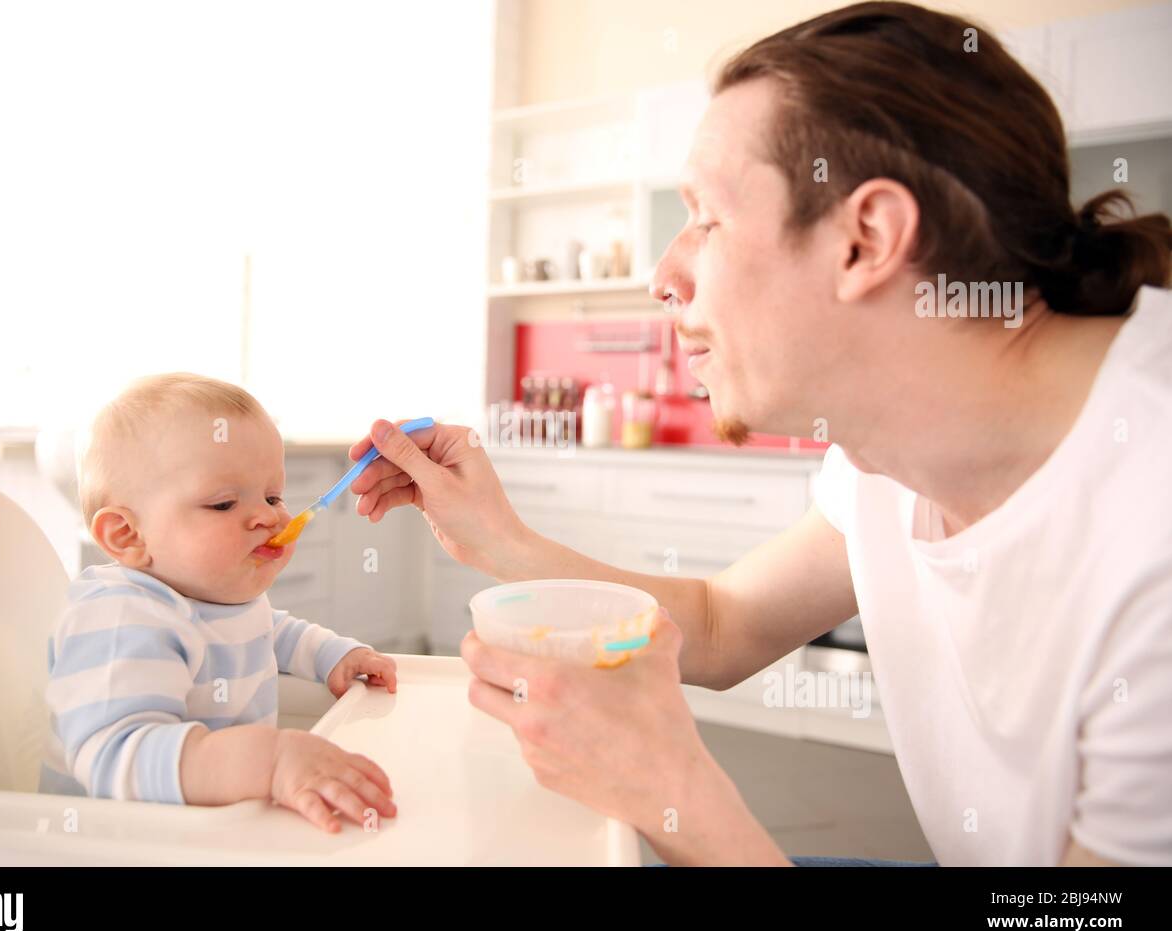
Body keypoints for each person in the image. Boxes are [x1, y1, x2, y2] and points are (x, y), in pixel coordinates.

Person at [345, 2, 1172, 865]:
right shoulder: (886, 446)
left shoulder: (1152, 517)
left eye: (706, 218)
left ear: (867, 238)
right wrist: (499, 541)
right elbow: (720, 623)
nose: (664, 277)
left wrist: (676, 799)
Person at [41, 372, 398, 834]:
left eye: (273, 496)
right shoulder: (123, 619)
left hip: (205, 835)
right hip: (101, 844)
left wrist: (333, 655)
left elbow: (272, 630)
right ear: (128, 535)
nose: (269, 516)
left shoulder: (217, 599)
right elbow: (116, 759)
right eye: (225, 504)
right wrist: (270, 764)